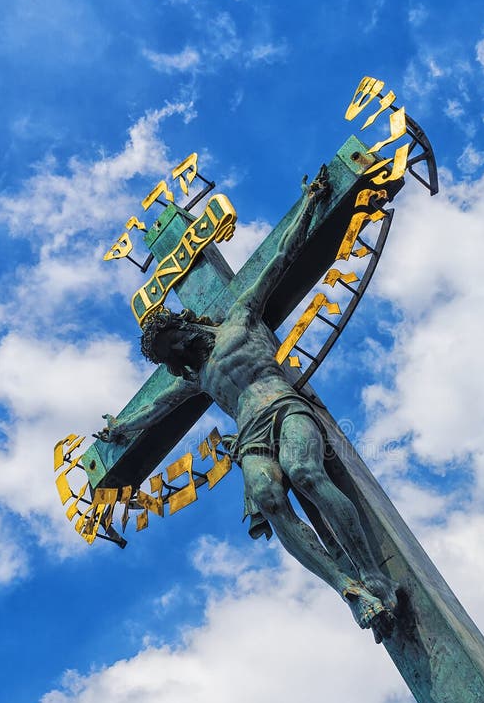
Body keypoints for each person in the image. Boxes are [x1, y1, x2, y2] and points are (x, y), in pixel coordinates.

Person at [101, 166, 395, 642]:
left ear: (185, 326)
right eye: (169, 356)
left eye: (173, 344)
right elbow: (150, 414)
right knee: (268, 497)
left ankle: (373, 571)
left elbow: (280, 258)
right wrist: (119, 429)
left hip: (282, 405)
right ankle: (349, 588)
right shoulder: (198, 379)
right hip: (250, 434)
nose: (176, 357)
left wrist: (310, 202)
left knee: (304, 472)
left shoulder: (239, 318)